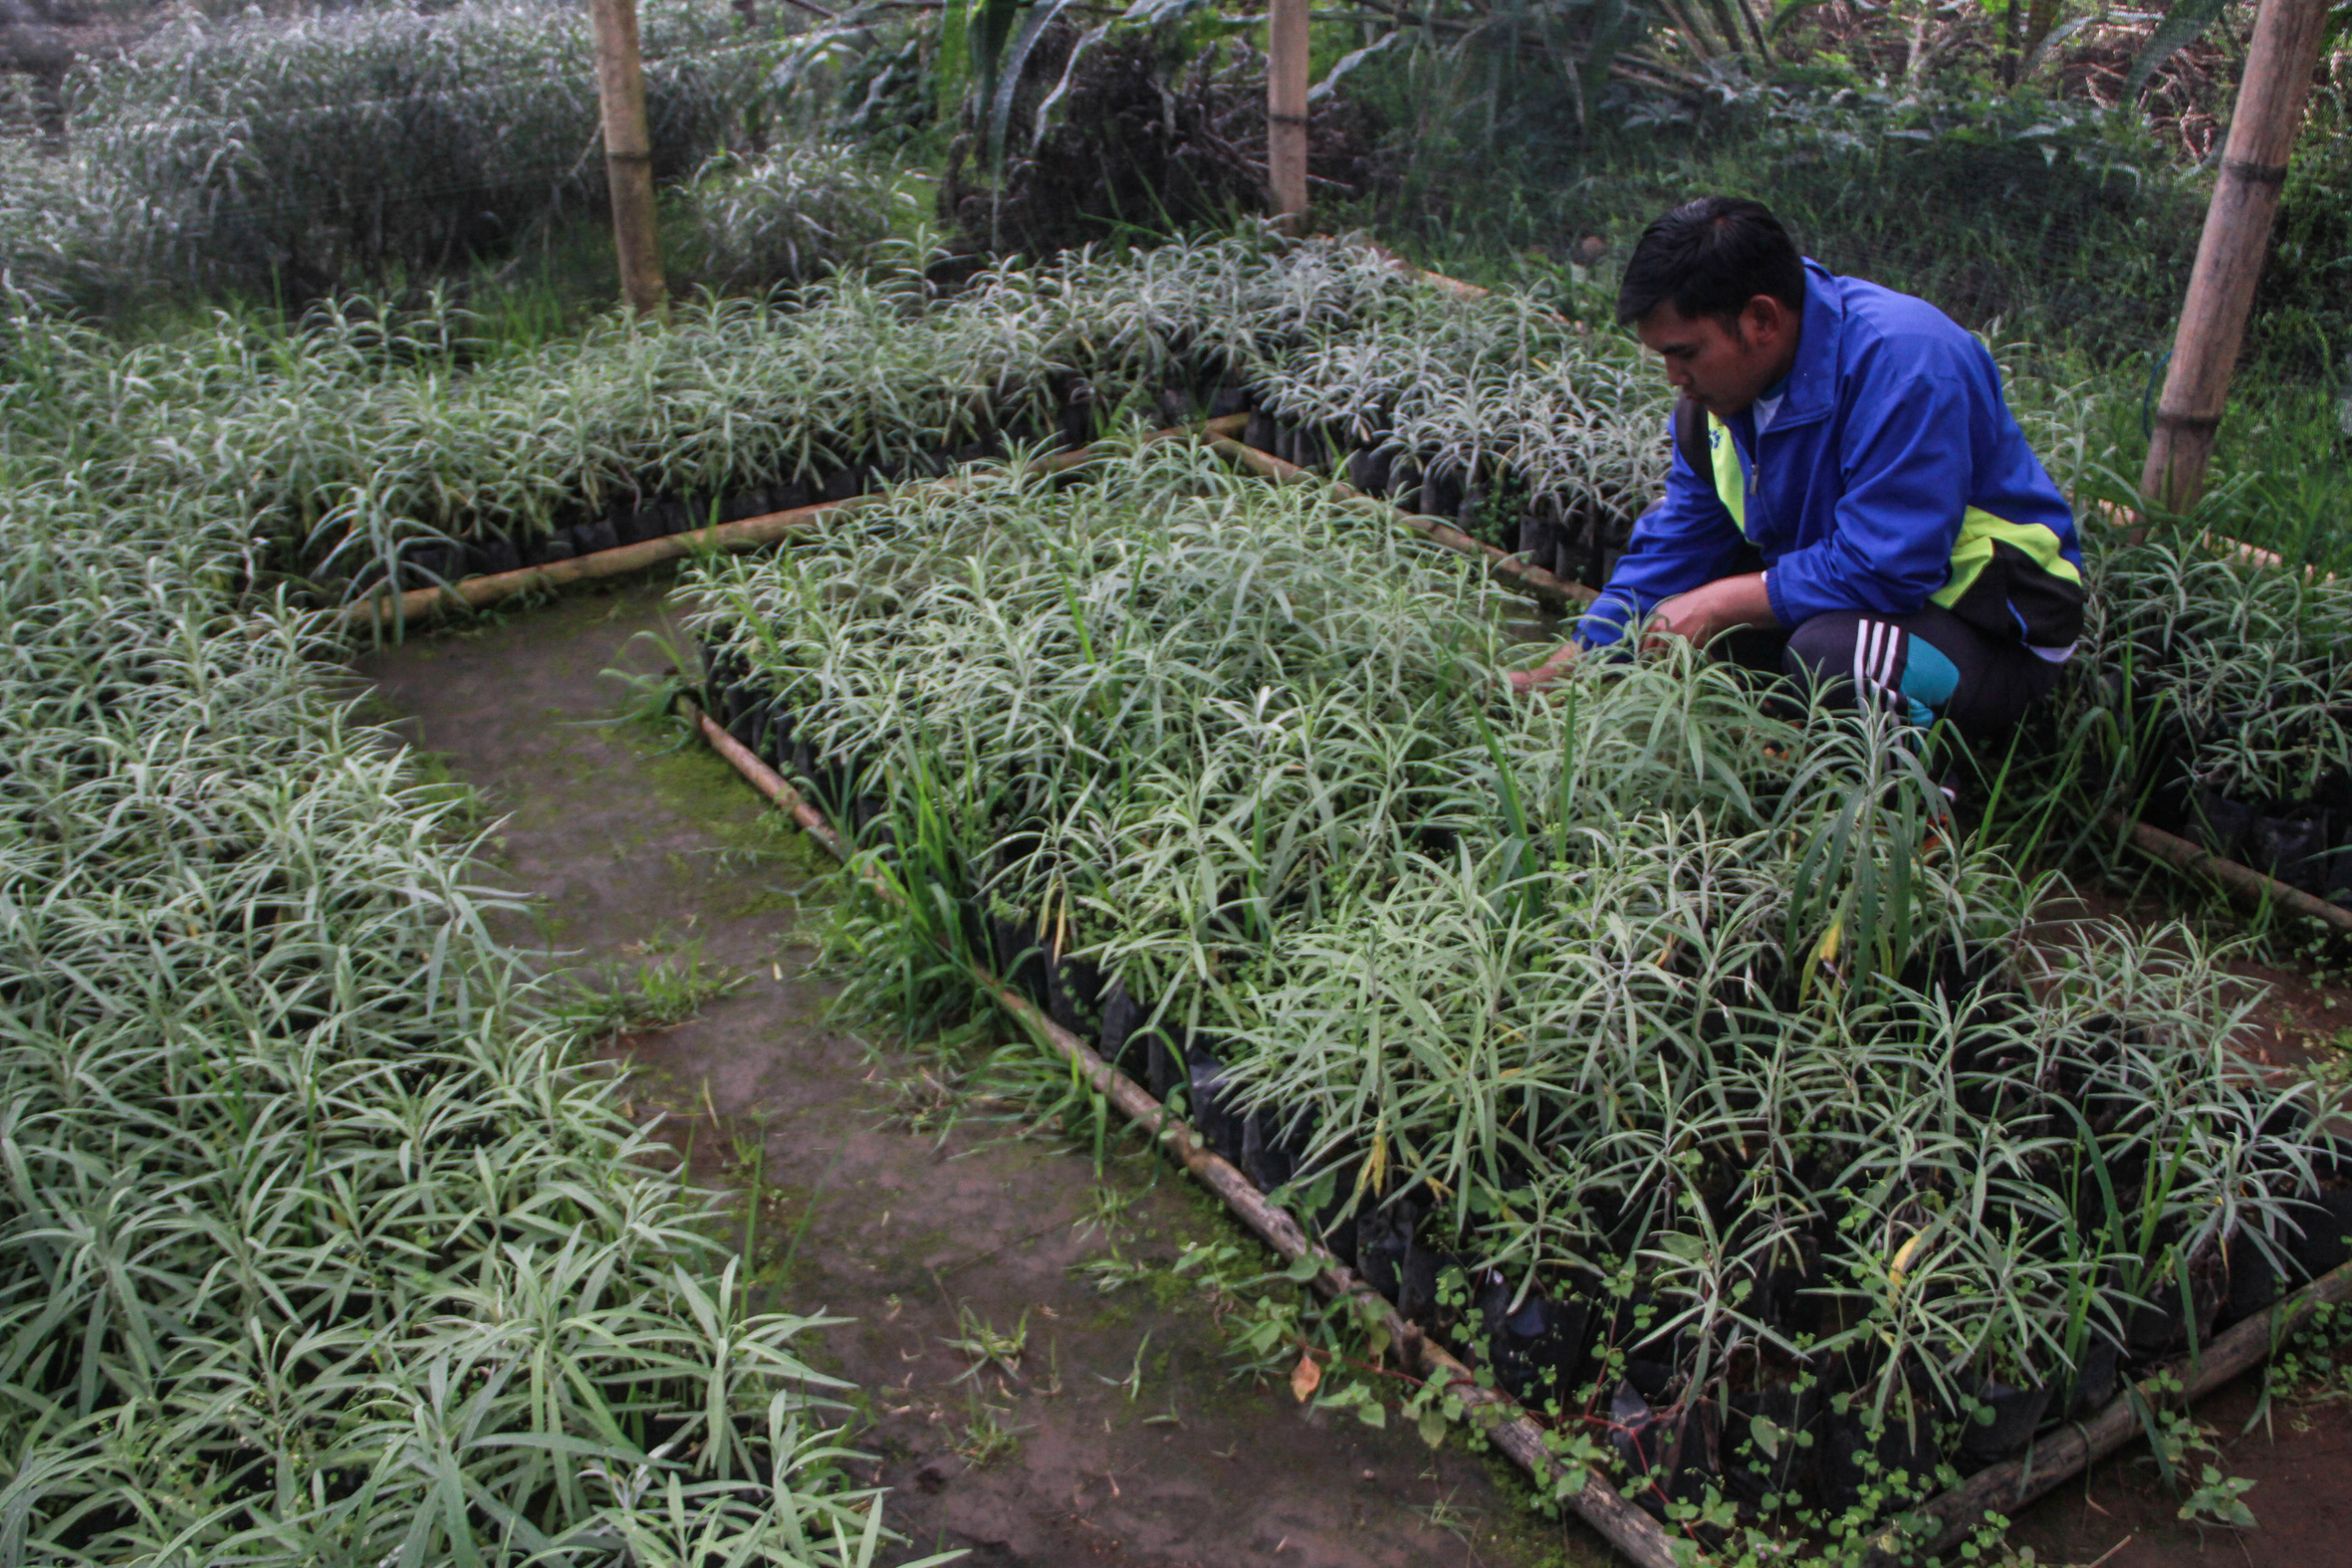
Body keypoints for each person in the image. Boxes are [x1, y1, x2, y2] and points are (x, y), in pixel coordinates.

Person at [1512, 197, 2083, 746]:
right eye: (1662, 356)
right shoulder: (1717, 408)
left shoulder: (1905, 365)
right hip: (1872, 606)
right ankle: (1791, 755)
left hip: (1989, 630)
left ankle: (1920, 816)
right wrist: (1550, 679)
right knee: (1688, 612)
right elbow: (1672, 555)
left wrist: (1719, 602)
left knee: (1833, 657)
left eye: (1685, 353)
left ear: (1762, 318)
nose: (1673, 377)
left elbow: (1892, 568)